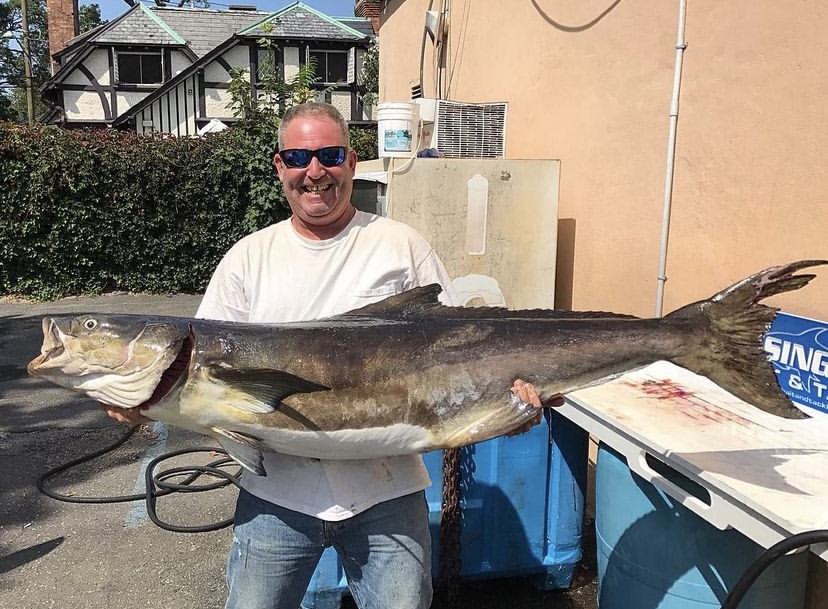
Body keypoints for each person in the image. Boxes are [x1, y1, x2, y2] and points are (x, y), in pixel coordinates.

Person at [103, 101, 548, 609]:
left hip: (387, 493)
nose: (314, 171)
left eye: (329, 155)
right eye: (297, 156)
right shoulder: (249, 257)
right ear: (280, 168)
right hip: (277, 497)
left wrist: (504, 403)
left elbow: (457, 350)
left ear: (352, 162)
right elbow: (205, 367)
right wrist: (135, 400)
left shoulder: (399, 245)